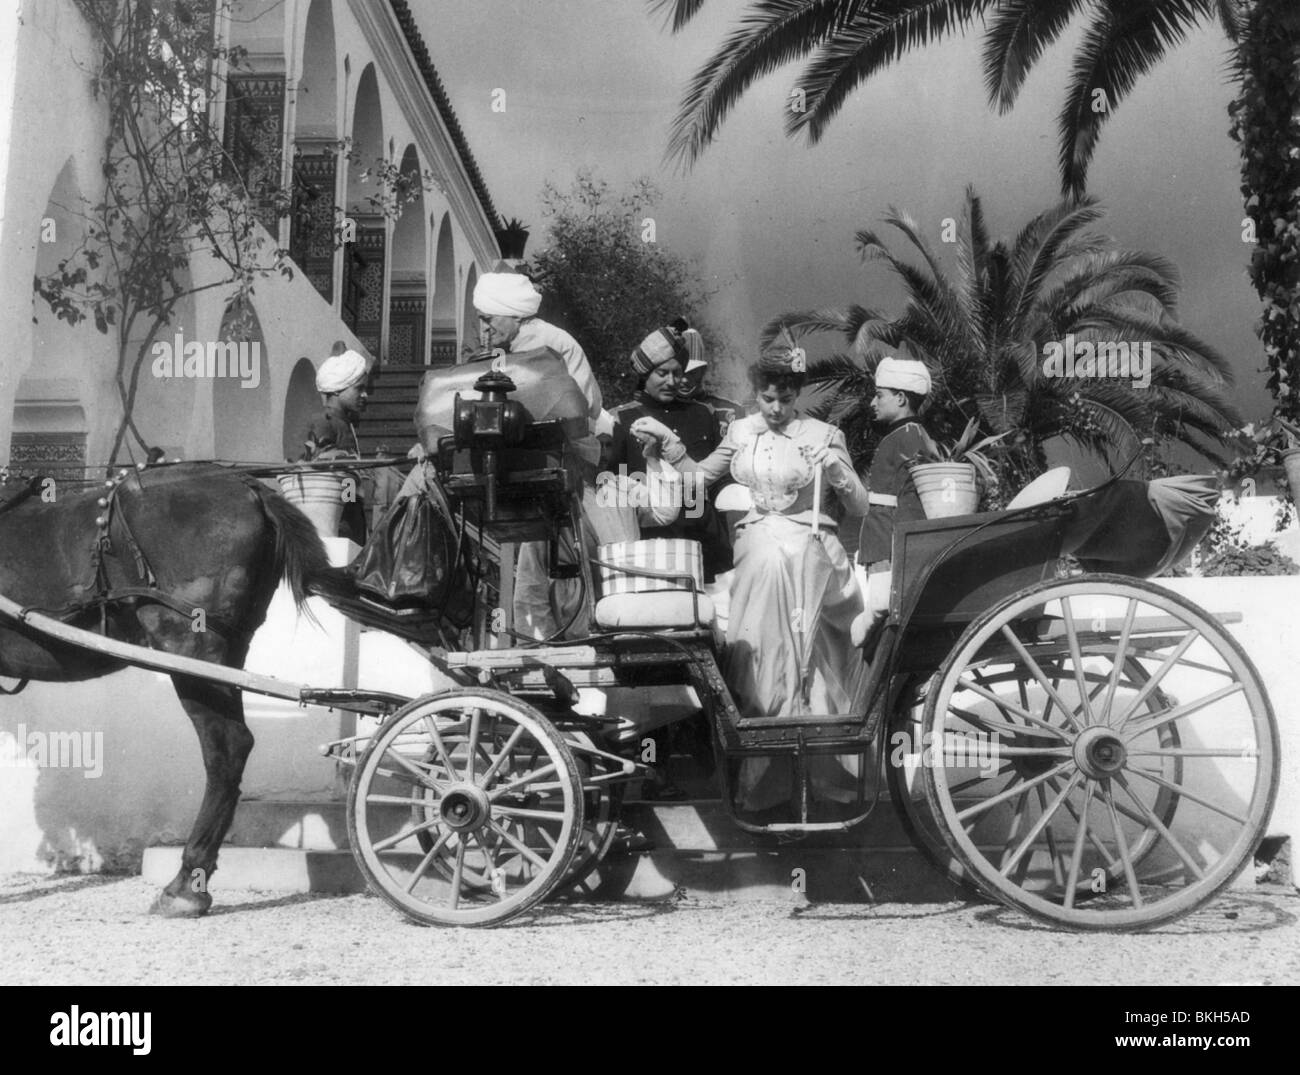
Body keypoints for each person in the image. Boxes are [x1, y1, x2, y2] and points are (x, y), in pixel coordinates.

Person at [631, 342, 872, 812]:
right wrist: (666, 445)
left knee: (793, 564)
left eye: (785, 399)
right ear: (756, 393)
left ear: (797, 392)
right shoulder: (742, 431)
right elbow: (697, 480)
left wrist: (836, 471)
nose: (776, 409)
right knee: (767, 566)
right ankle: (768, 758)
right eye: (767, 399)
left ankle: (820, 762)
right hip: (760, 535)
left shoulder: (824, 433)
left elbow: (860, 505)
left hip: (811, 537)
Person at [471, 271, 604, 641]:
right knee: (534, 565)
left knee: (562, 563)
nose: (483, 327)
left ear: (515, 315)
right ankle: (538, 646)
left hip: (567, 465)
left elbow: (580, 406)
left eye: (488, 318)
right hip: (529, 468)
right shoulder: (506, 348)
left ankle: (554, 647)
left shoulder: (550, 343)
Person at [609, 319, 733, 580]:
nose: (672, 381)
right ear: (645, 374)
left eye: (677, 373)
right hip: (650, 545)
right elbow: (615, 489)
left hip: (705, 540)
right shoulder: (620, 420)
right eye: (662, 373)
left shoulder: (702, 414)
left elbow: (715, 480)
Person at [852, 357, 936, 652]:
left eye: (879, 395)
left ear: (900, 398)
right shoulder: (905, 435)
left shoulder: (907, 437)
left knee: (879, 610)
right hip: (882, 539)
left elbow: (911, 501)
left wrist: (899, 548)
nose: (873, 403)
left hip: (888, 541)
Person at [300, 348, 370, 544]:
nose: (365, 395)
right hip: (334, 521)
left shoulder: (344, 424)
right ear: (338, 389)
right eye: (359, 389)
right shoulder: (324, 422)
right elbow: (322, 475)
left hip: (348, 515)